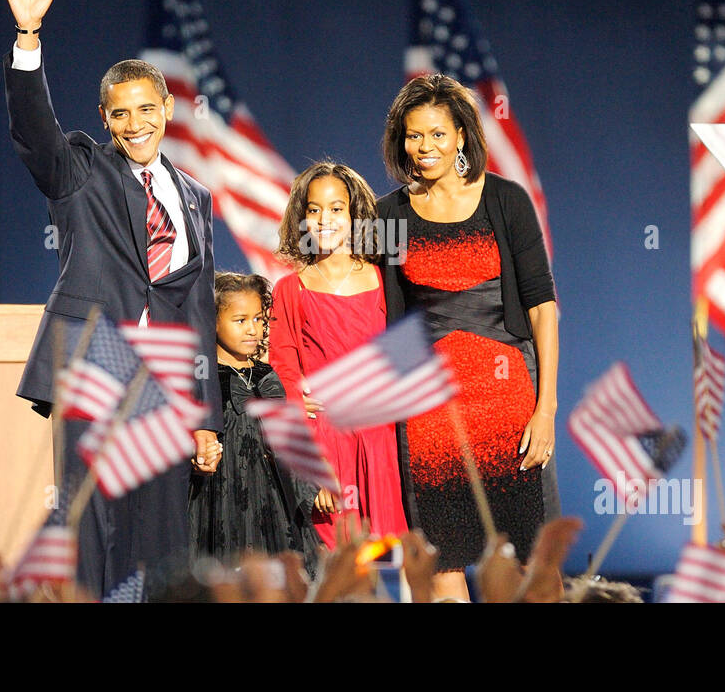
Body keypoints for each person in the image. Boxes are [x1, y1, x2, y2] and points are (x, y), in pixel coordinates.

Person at [0, 0, 222, 599]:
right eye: (119, 113)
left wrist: (205, 415)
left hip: (167, 386)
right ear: (104, 120)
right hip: (94, 369)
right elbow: (35, 131)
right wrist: (29, 35)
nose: (134, 123)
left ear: (167, 110)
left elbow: (198, 307)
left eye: (146, 109)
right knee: (93, 527)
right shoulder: (81, 171)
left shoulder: (196, 198)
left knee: (163, 540)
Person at [377, 74, 560, 601]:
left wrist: (544, 409)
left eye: (436, 134)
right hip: (431, 416)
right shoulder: (389, 214)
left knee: (526, 567)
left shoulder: (506, 200)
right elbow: (386, 317)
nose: (424, 147)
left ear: (461, 135)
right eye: (413, 136)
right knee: (443, 566)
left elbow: (543, 307)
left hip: (510, 407)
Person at [268, 162, 409, 549]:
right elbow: (282, 367)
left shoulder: (386, 280)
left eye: (336, 208)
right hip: (326, 445)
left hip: (383, 444)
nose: (324, 220)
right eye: (314, 210)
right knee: (335, 567)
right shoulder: (290, 289)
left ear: (355, 214)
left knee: (389, 562)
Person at [190, 272, 321, 577]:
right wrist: (198, 459)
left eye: (259, 319)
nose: (253, 329)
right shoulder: (203, 377)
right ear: (213, 322)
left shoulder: (267, 374)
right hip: (220, 496)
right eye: (240, 320)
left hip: (272, 498)